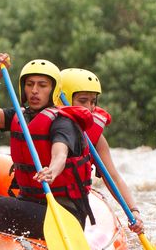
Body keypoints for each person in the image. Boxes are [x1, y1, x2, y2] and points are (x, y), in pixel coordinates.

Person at [0, 54, 93, 238]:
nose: (34, 90)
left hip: (63, 214)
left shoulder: (63, 122)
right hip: (29, 203)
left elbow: (60, 154)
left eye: (42, 85)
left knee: (4, 207)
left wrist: (51, 171)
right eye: (29, 84)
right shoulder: (19, 116)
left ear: (53, 90)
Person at [57, 68, 144, 234]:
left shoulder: (95, 139)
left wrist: (134, 211)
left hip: (71, 207)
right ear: (61, 98)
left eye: (93, 102)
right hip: (38, 200)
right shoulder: (40, 124)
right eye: (83, 101)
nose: (90, 107)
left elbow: (113, 177)